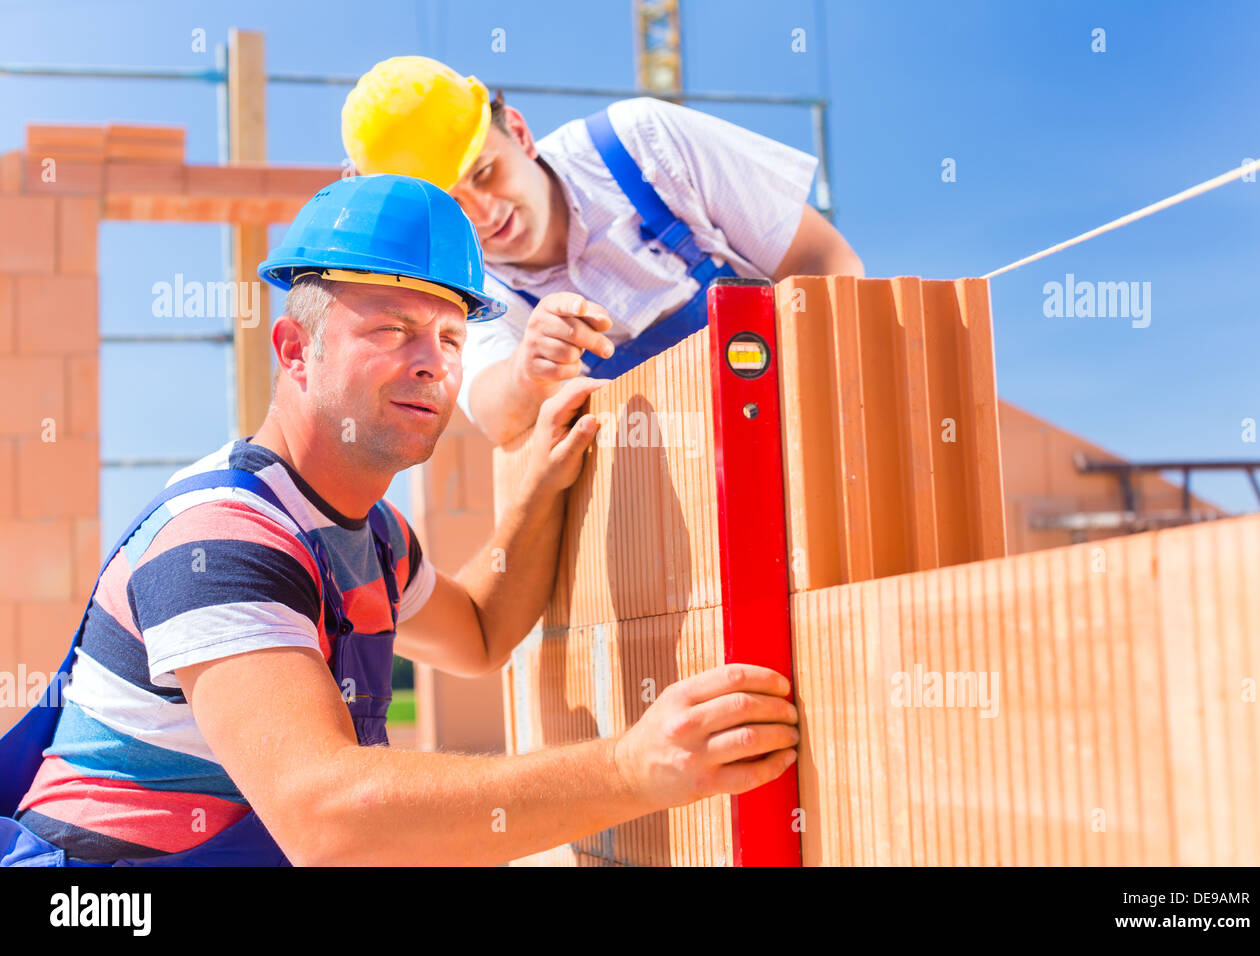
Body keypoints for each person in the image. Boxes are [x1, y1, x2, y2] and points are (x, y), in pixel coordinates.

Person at [0, 174, 799, 867]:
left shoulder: (370, 535)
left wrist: (536, 492)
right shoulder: (222, 540)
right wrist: (631, 770)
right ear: (295, 349)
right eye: (391, 331)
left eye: (450, 337)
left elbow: (480, 631)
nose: (432, 363)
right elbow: (326, 815)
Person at [342, 55, 864, 445]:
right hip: (674, 489)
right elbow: (498, 418)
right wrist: (528, 371)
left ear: (519, 133)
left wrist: (815, 412)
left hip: (800, 414)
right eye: (452, 207)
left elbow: (825, 263)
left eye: (485, 173)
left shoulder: (642, 145)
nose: (483, 213)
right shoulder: (463, 288)